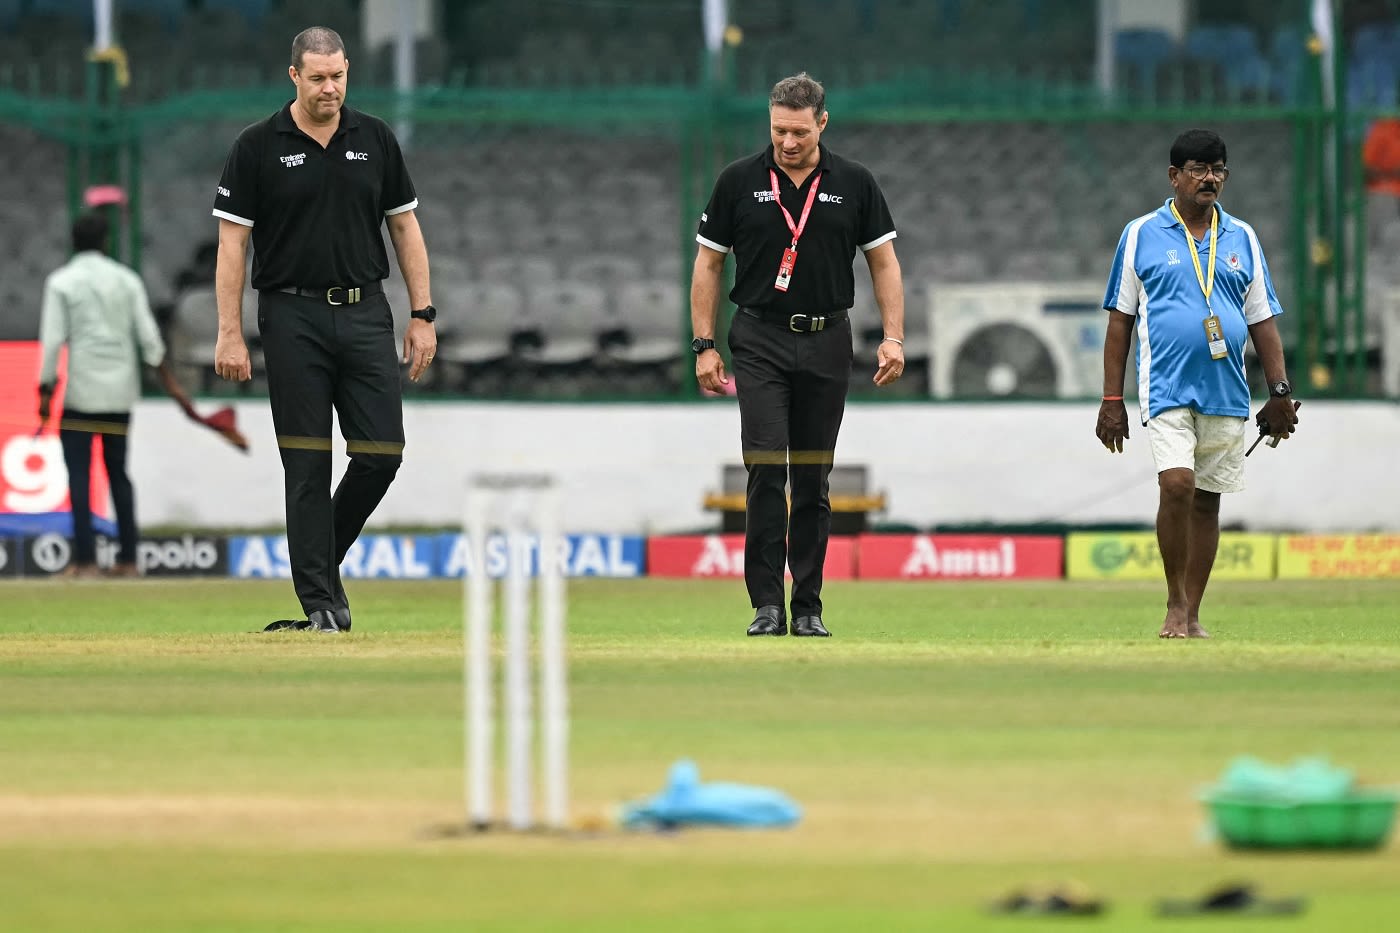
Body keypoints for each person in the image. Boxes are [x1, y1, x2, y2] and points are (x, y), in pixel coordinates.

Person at [212, 26, 437, 633]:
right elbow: (233, 244)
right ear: (294, 76)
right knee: (306, 463)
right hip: (291, 316)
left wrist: (423, 315)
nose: (329, 88)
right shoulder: (257, 146)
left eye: (338, 76)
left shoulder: (376, 139)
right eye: (317, 78)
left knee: (381, 454)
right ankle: (320, 605)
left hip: (366, 312)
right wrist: (228, 332)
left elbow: (406, 229)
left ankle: (318, 567)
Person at [691, 72, 905, 638]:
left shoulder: (855, 183)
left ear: (822, 123)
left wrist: (893, 335)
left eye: (800, 132)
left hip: (827, 338)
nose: (788, 142)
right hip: (757, 338)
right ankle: (766, 604)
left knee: (813, 476)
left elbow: (884, 263)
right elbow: (709, 264)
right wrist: (704, 344)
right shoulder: (737, 181)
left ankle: (807, 606)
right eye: (779, 130)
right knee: (765, 470)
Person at [1097, 128, 1299, 640]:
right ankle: (1173, 600)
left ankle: (1193, 612)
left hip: (1227, 389)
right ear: (1174, 176)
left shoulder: (1243, 237)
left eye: (1218, 171)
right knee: (1177, 484)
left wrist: (1278, 393)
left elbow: (1263, 321)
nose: (1209, 179)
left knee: (1208, 499)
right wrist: (1111, 399)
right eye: (1198, 169)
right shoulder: (1141, 233)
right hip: (1165, 386)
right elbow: (1120, 320)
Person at [38, 210, 193, 578]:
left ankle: (87, 561)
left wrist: (45, 391)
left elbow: (51, 341)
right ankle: (128, 559)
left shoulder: (62, 282)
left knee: (79, 475)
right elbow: (149, 339)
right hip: (120, 393)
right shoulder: (127, 280)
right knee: (118, 473)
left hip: (81, 393)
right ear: (106, 242)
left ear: (73, 242)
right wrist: (169, 382)